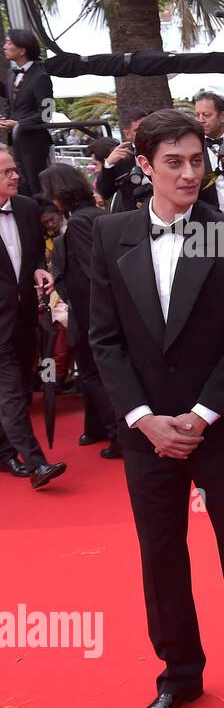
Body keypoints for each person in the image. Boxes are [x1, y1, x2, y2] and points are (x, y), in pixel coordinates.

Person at [89, 110, 224, 708]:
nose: (188, 172)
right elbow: (105, 341)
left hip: (220, 430)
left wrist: (200, 416)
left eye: (197, 161)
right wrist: (145, 420)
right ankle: (178, 676)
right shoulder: (109, 233)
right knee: (161, 556)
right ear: (144, 166)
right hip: (147, 437)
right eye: (173, 162)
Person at [40, 164, 119, 458]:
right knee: (92, 373)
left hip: (91, 314)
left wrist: (92, 321)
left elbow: (93, 274)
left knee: (93, 373)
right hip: (92, 312)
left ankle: (118, 435)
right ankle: (97, 428)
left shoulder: (82, 222)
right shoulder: (93, 216)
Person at [0, 146, 63, 485]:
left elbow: (36, 252)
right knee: (10, 392)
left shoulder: (25, 208)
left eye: (14, 169)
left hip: (26, 315)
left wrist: (39, 269)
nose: (15, 175)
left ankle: (4, 452)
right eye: (6, 171)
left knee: (20, 389)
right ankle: (37, 464)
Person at [0, 31, 54, 197]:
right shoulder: (11, 74)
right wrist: (4, 118)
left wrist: (18, 124)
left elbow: (47, 113)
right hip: (15, 142)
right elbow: (10, 104)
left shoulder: (40, 76)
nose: (4, 47)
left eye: (9, 43)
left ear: (22, 50)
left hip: (34, 143)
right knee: (20, 186)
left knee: (35, 186)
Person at [95, 107, 150, 213]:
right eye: (138, 130)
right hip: (133, 218)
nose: (145, 133)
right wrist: (108, 164)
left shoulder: (164, 150)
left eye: (148, 127)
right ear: (127, 134)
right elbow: (104, 193)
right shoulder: (120, 156)